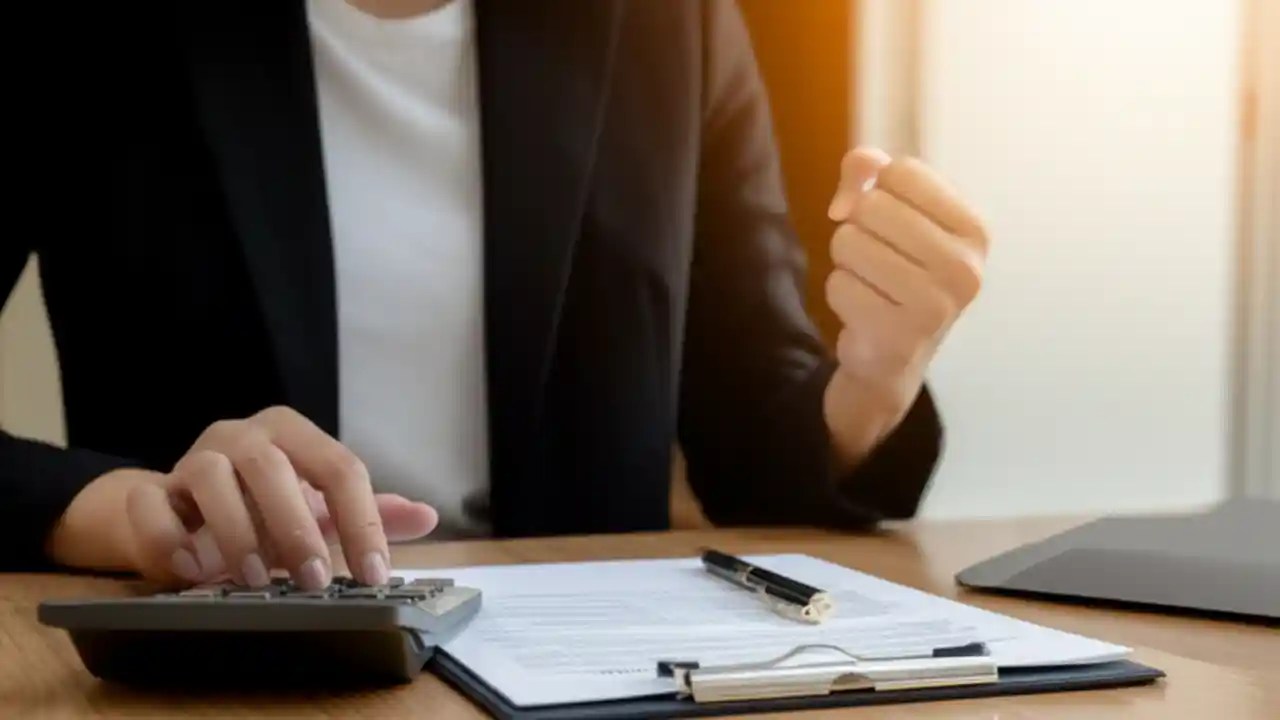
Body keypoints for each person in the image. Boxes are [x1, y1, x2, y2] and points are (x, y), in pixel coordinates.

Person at [0, 0, 987, 591]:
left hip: (584, 666)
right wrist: (119, 510)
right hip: (213, 661)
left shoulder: (663, 19)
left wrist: (875, 378)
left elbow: (754, 444)